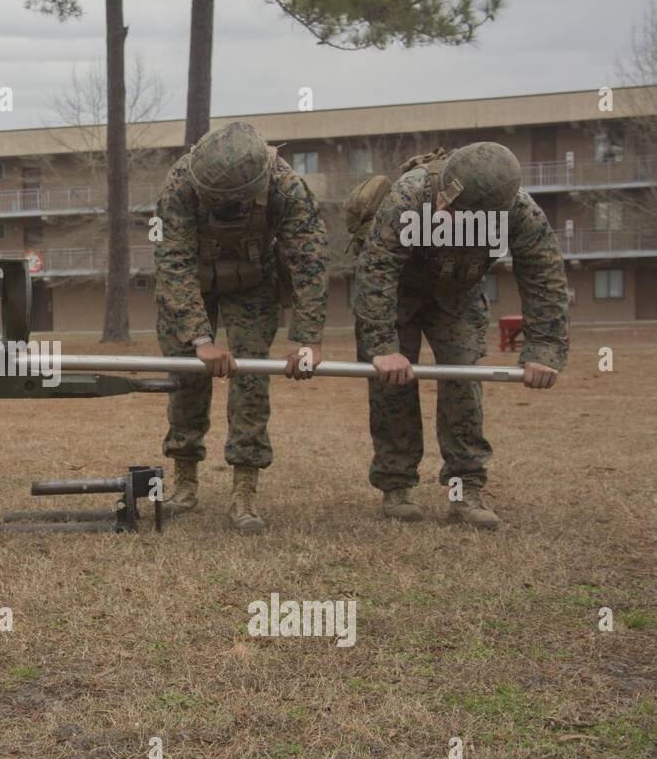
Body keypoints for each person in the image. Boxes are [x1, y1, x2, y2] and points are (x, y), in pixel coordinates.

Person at [354, 141, 568, 529]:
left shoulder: (519, 212)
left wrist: (545, 348)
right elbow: (376, 269)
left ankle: (464, 490)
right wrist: (383, 346)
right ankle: (397, 486)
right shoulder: (410, 195)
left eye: (456, 211)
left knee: (463, 382)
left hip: (457, 295)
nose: (443, 211)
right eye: (443, 202)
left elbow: (544, 276)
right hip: (398, 293)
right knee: (392, 385)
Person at [154, 121, 330, 532]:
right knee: (186, 375)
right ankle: (185, 481)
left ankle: (244, 490)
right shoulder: (181, 181)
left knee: (251, 377)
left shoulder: (287, 187)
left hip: (254, 282)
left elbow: (310, 262)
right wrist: (200, 338)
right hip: (192, 282)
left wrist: (308, 339)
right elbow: (172, 261)